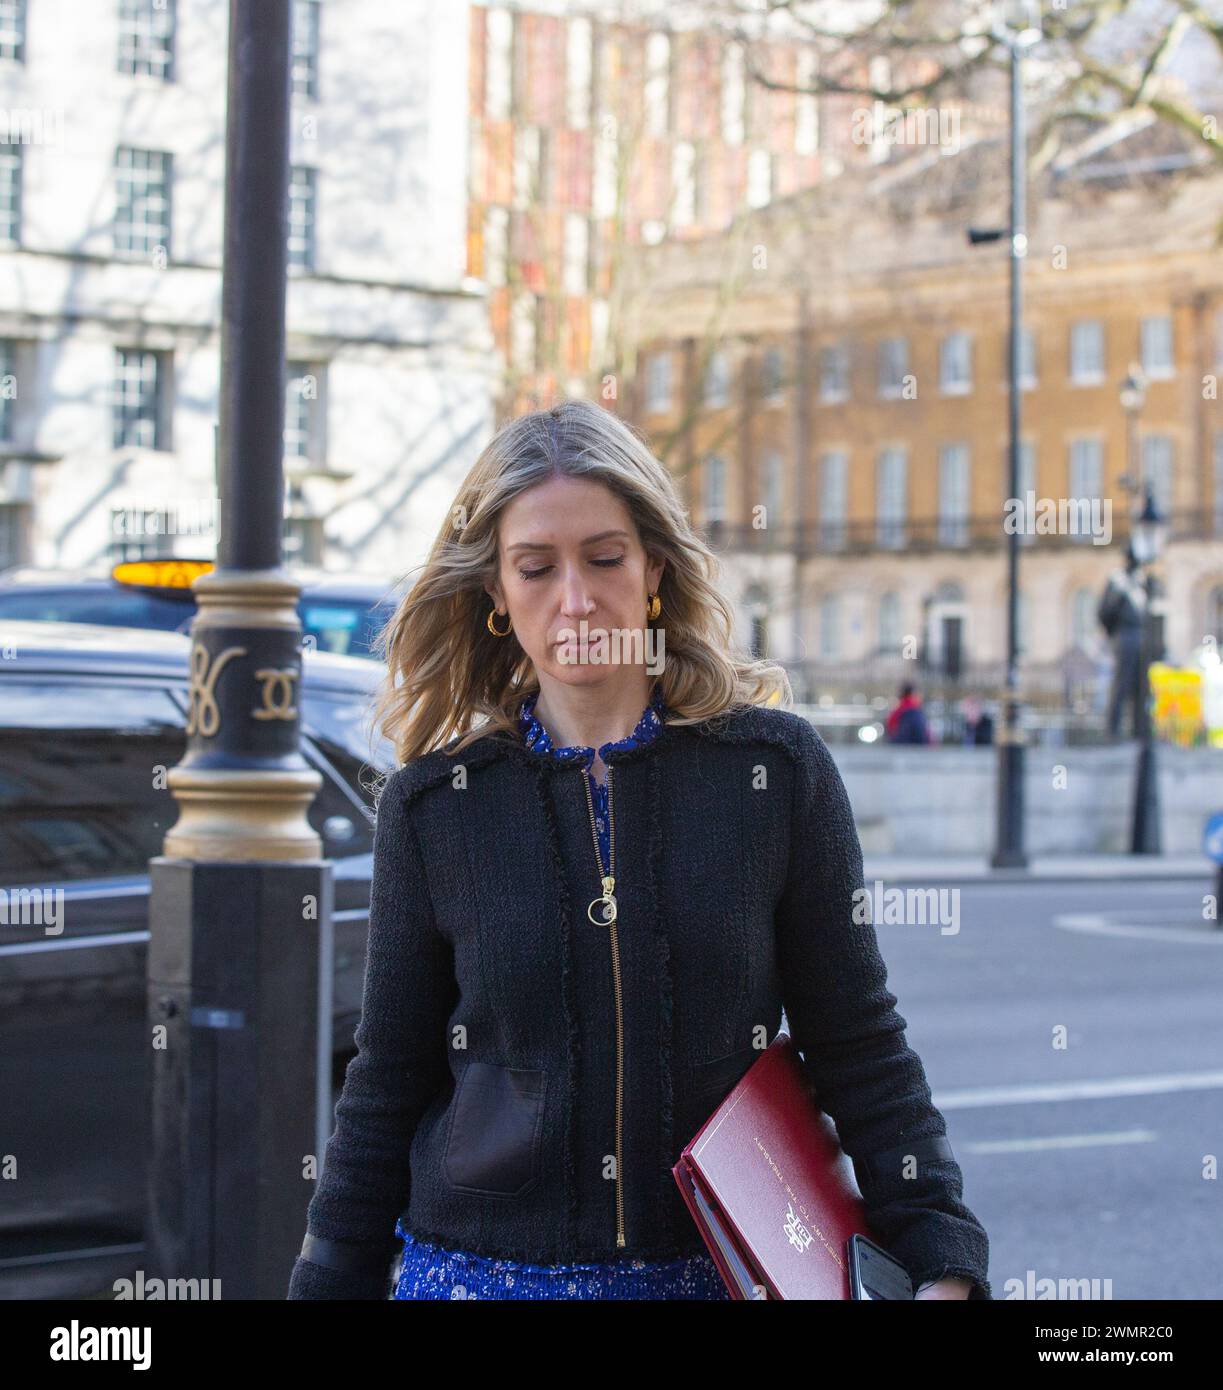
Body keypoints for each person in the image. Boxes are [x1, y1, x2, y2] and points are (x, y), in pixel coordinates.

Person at [286, 399, 990, 1301]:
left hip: (714, 1276)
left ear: (654, 564)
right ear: (496, 594)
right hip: (474, 1279)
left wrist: (939, 1253)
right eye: (534, 568)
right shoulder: (436, 806)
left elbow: (856, 1038)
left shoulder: (771, 771)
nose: (574, 598)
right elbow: (387, 1078)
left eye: (605, 558)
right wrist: (325, 1280)